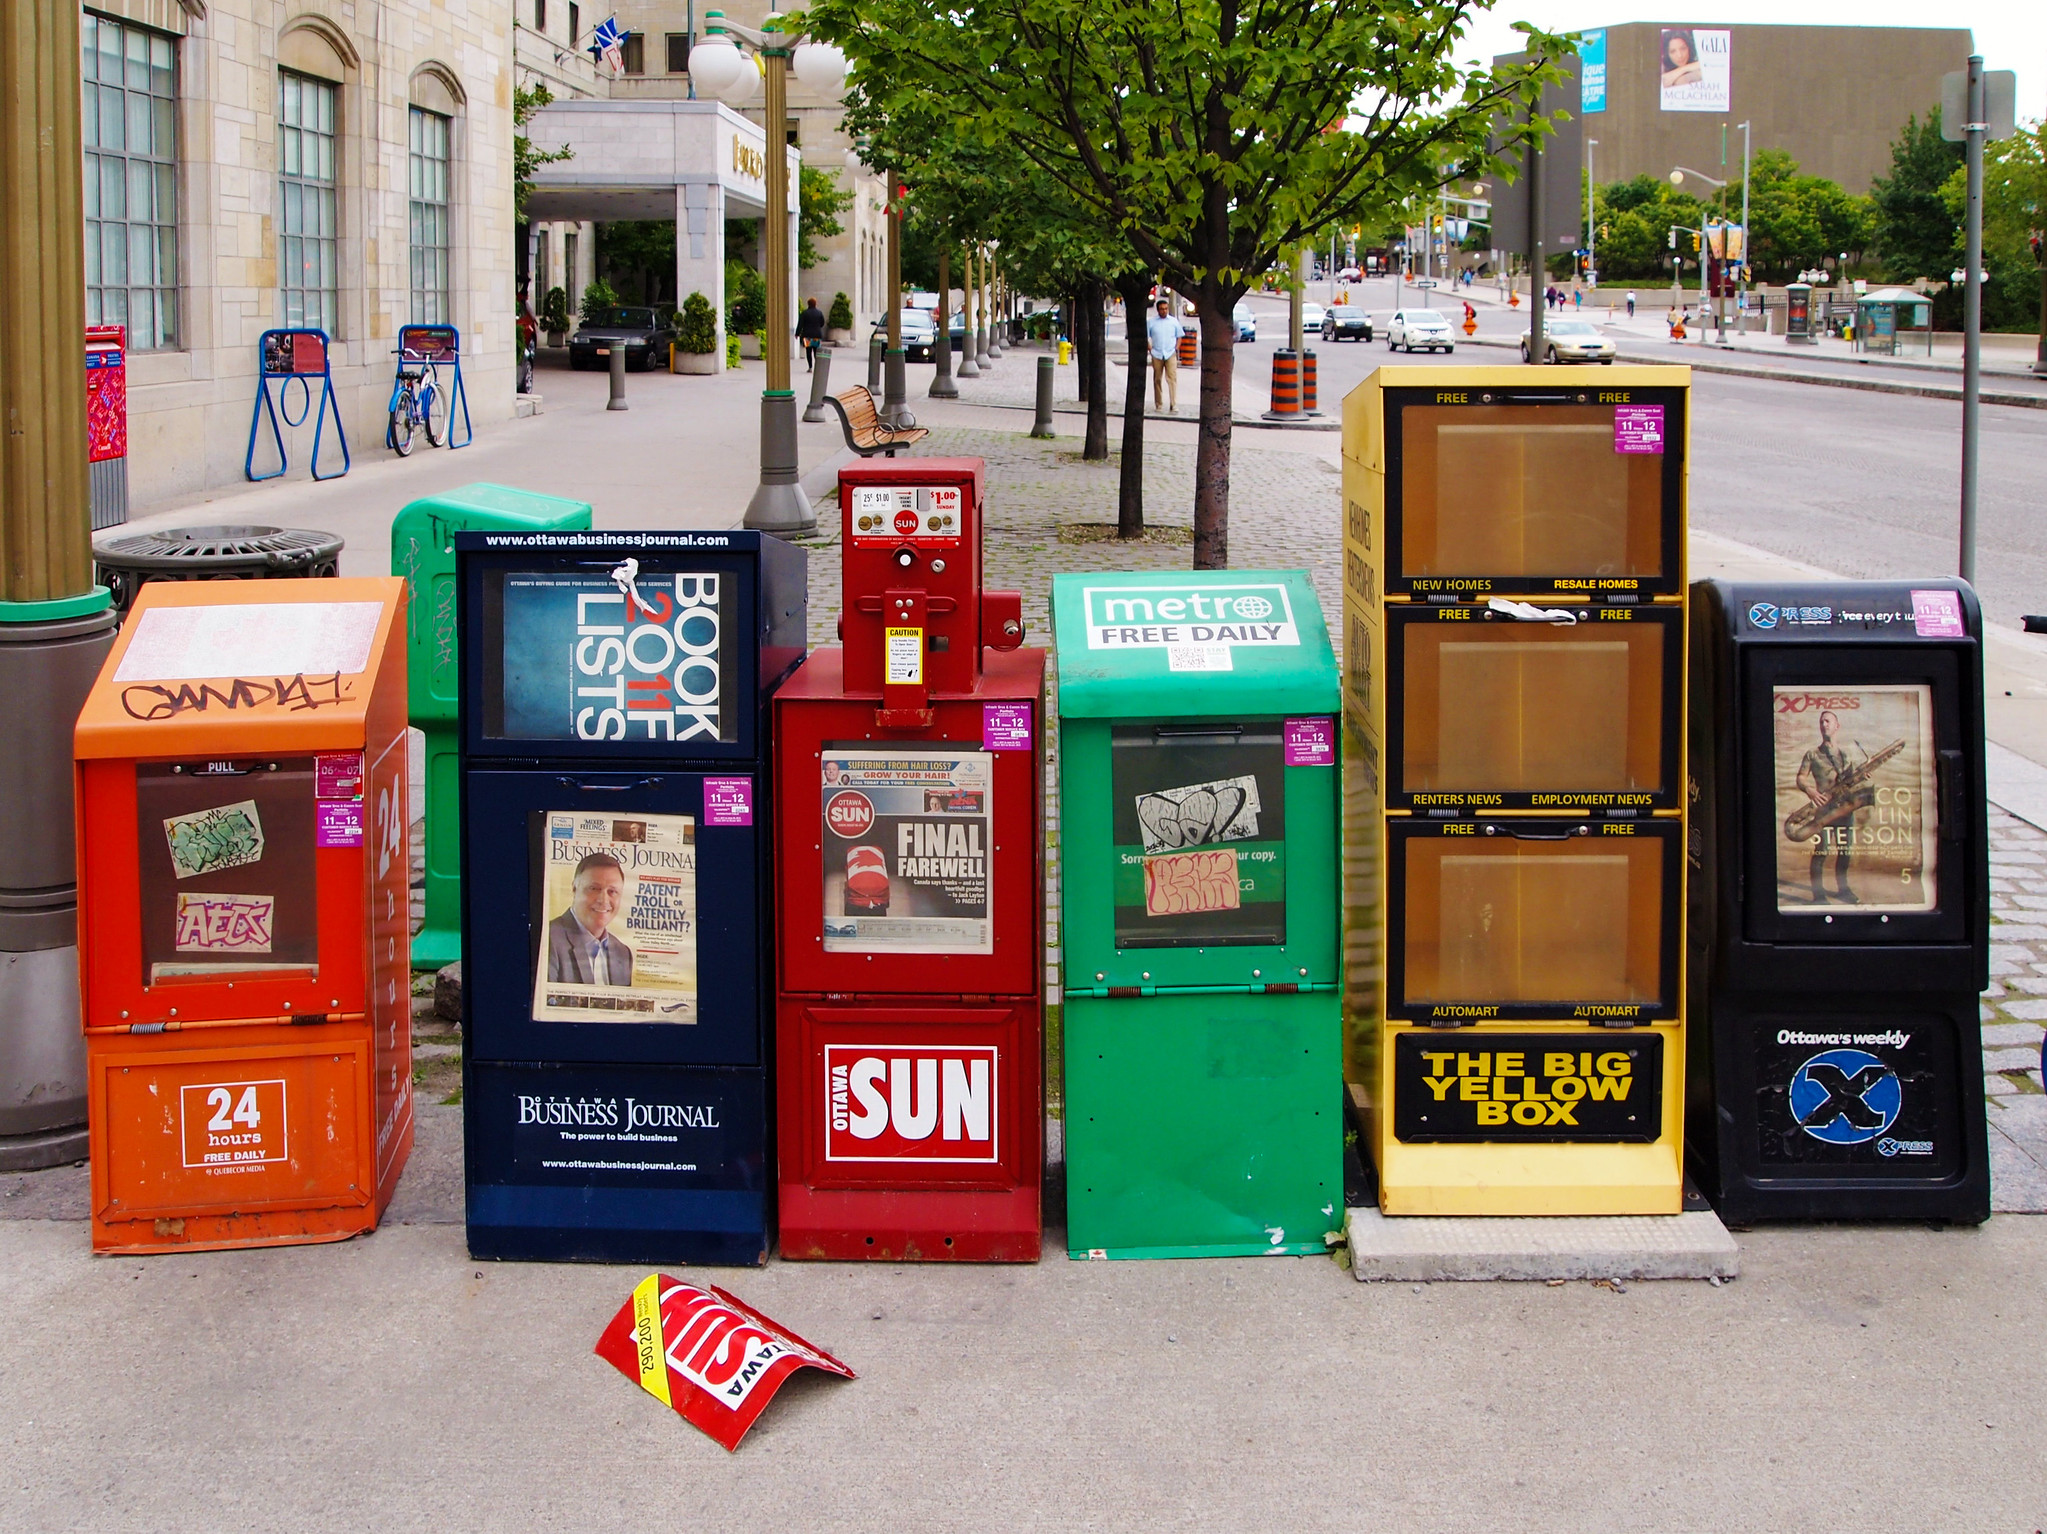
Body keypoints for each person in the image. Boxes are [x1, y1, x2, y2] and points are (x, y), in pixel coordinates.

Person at [1795, 710, 1870, 905]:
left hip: (1844, 809)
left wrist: (1862, 776)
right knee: (1822, 851)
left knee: (1845, 851)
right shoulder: (1812, 754)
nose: (1824, 725)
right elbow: (1801, 777)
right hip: (1825, 811)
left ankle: (1844, 891)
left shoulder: (1846, 754)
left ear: (1837, 726)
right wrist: (1810, 791)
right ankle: (1818, 896)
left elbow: (1849, 780)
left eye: (1828, 721)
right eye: (1821, 722)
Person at [546, 852, 635, 985]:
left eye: (612, 891)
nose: (603, 900)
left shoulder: (623, 953)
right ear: (574, 889)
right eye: (594, 888)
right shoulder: (548, 939)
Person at [1146, 298, 1182, 413]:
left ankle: (1173, 404)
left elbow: (1179, 336)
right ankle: (1159, 404)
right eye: (1161, 309)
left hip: (1170, 353)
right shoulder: (1151, 322)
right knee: (1157, 379)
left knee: (1172, 379)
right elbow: (1146, 337)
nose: (1164, 311)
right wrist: (1150, 349)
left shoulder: (1173, 321)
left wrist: (1176, 349)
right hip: (1156, 353)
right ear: (1158, 310)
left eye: (1166, 309)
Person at [795, 296, 826, 373]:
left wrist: (797, 333)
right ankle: (817, 367)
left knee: (808, 352)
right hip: (816, 335)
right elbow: (822, 323)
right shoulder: (819, 313)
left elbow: (800, 324)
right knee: (816, 352)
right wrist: (817, 327)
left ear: (808, 304)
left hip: (807, 335)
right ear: (815, 304)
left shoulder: (804, 313)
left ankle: (810, 367)